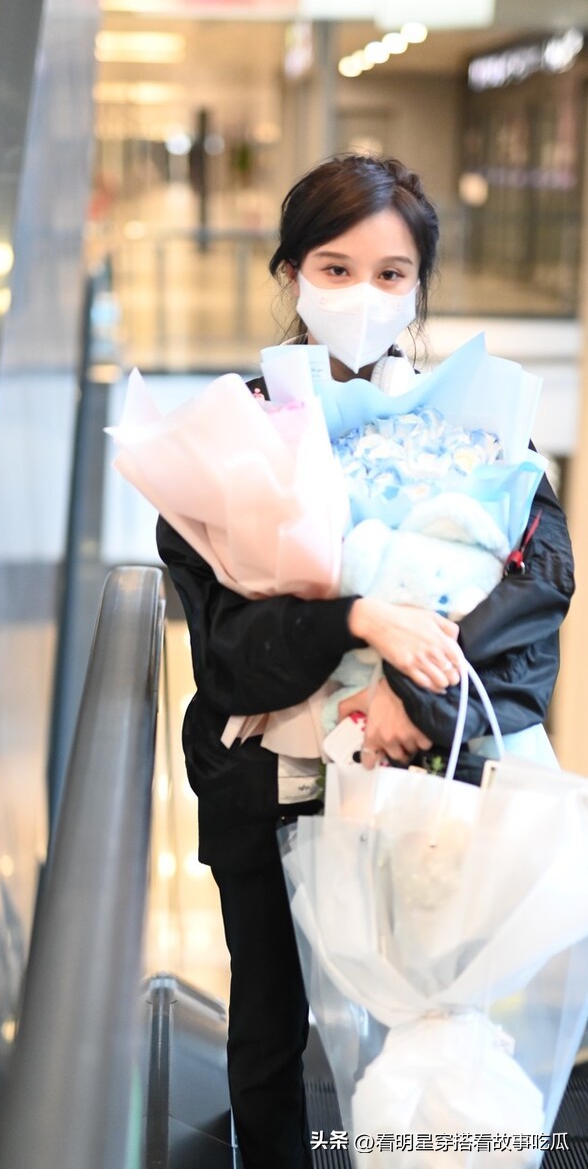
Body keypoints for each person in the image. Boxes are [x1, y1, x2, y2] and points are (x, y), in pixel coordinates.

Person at [156, 153, 574, 1169]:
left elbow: (533, 611)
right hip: (272, 786)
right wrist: (356, 619)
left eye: (391, 274)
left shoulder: (483, 434)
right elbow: (228, 662)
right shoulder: (227, 440)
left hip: (421, 781)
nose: (362, 296)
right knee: (268, 1033)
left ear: (419, 285)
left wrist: (408, 697)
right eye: (335, 269)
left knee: (426, 1013)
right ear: (291, 272)